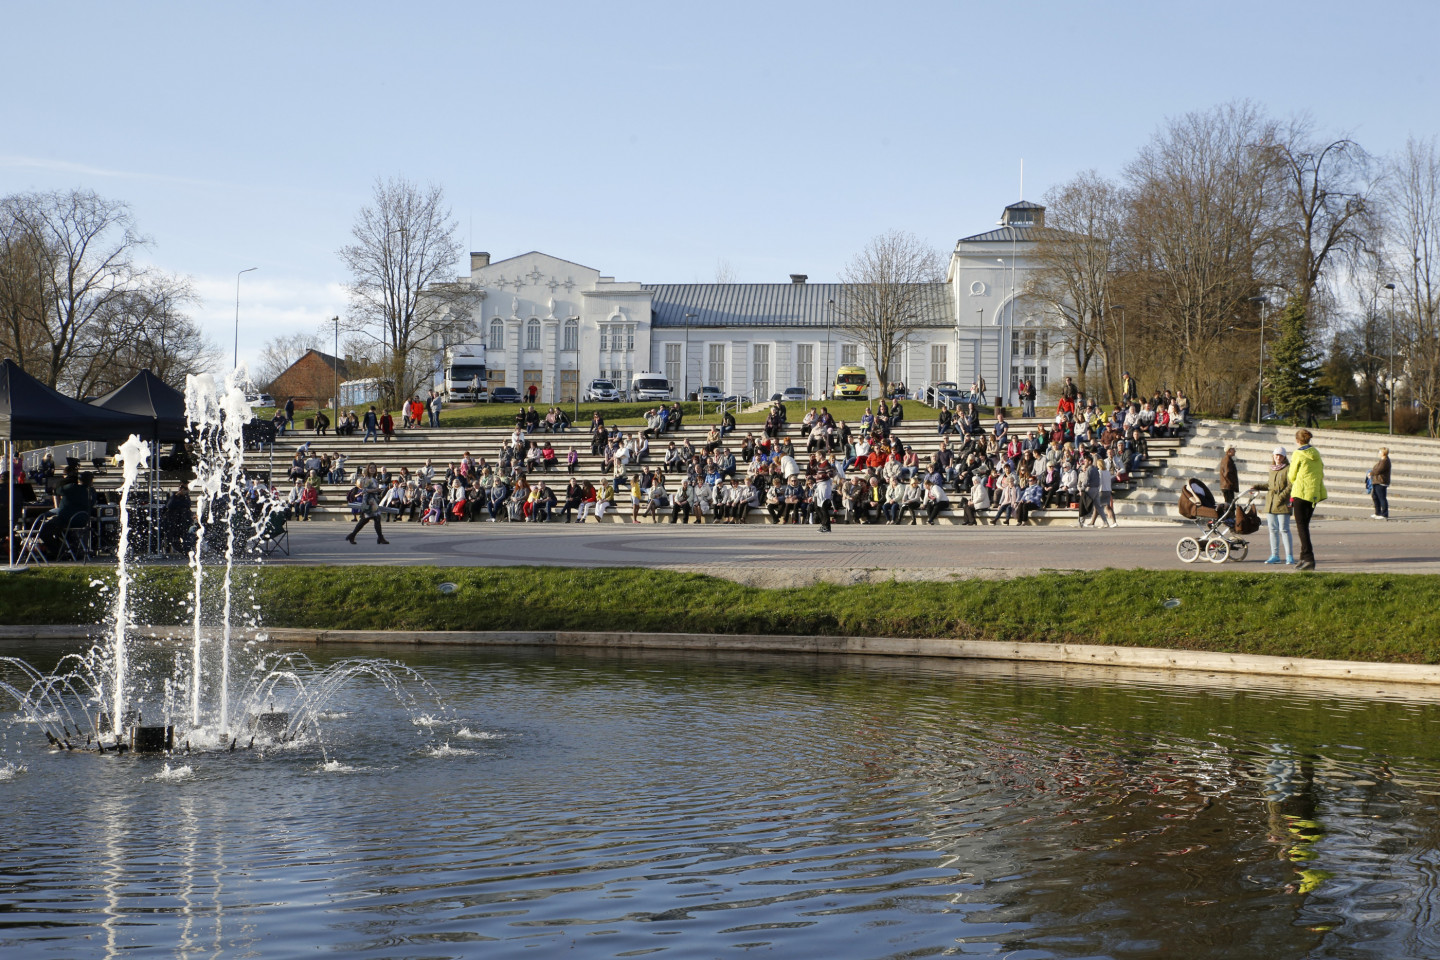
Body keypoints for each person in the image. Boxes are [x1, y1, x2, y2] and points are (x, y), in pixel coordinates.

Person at [1287, 429, 1326, 571]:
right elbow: (1321, 470)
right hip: (1313, 494)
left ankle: (1309, 558)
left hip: (1301, 493)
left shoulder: (1298, 453)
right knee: (1304, 527)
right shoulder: (1316, 453)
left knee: (1301, 527)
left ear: (1297, 440)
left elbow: (1291, 475)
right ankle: (1303, 556)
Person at [1250, 445, 1294, 565]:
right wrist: (1257, 486)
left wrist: (1281, 498)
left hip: (1283, 504)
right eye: (1276, 455)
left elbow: (1290, 486)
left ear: (1284, 457)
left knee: (1284, 529)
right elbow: (1270, 485)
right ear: (1273, 456)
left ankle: (1289, 556)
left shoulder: (1288, 469)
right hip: (1270, 504)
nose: (1278, 457)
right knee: (1273, 530)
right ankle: (1275, 555)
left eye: (1280, 455)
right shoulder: (1272, 469)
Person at [345, 476, 390, 544]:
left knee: (373, 519)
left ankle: (380, 537)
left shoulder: (373, 479)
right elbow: (366, 490)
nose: (373, 469)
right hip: (368, 502)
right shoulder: (367, 480)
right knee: (368, 520)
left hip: (372, 502)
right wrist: (375, 490)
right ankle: (380, 538)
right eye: (371, 468)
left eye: (374, 468)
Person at [1370, 446, 1391, 520]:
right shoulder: (1382, 460)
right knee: (1375, 496)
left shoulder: (1385, 461)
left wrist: (1371, 473)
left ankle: (1384, 514)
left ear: (1383, 453)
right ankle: (1377, 512)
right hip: (1377, 481)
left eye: (1379, 452)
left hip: (1381, 481)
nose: (1378, 453)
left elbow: (1379, 470)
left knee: (1382, 497)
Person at [1218, 444, 1239, 508]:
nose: (1235, 451)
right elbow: (1227, 473)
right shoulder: (1227, 460)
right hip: (1227, 486)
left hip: (1227, 486)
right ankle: (1229, 517)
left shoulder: (1227, 459)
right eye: (1233, 450)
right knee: (1230, 506)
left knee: (1230, 504)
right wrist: (1232, 483)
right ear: (1229, 451)